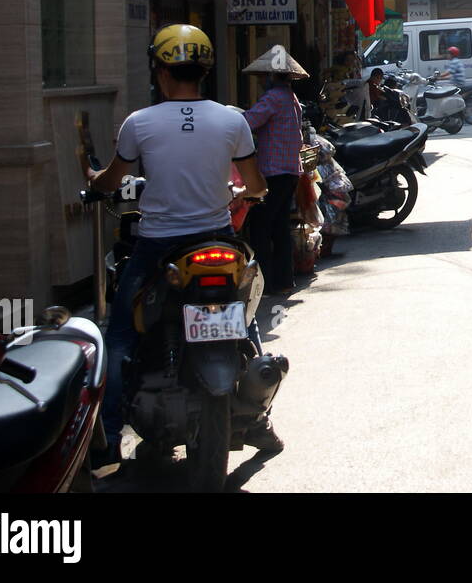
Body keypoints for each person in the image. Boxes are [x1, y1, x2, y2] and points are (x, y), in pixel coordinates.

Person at [85, 24, 277, 471]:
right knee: (243, 320)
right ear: (205, 69)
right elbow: (254, 184)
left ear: (160, 70)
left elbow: (113, 181)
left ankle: (108, 443)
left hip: (157, 247)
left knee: (119, 336)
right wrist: (244, 195)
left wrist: (96, 183)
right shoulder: (233, 120)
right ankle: (260, 415)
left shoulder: (140, 123)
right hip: (217, 240)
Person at [241, 44, 308, 298]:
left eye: (262, 78)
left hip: (274, 173)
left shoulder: (273, 99)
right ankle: (283, 280)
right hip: (290, 170)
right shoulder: (291, 97)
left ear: (270, 76)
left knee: (261, 227)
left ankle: (265, 283)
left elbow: (247, 122)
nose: (260, 82)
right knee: (279, 227)